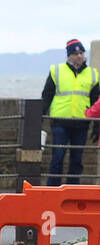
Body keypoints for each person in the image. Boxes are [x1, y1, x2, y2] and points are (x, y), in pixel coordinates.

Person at [42, 38, 99, 187]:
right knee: (58, 157)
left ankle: (73, 189)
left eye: (81, 53)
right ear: (69, 55)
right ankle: (52, 190)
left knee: (77, 160)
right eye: (75, 53)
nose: (79, 56)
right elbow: (46, 96)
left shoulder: (93, 74)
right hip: (60, 121)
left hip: (81, 123)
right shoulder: (57, 71)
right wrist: (38, 118)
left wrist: (97, 125)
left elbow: (96, 101)